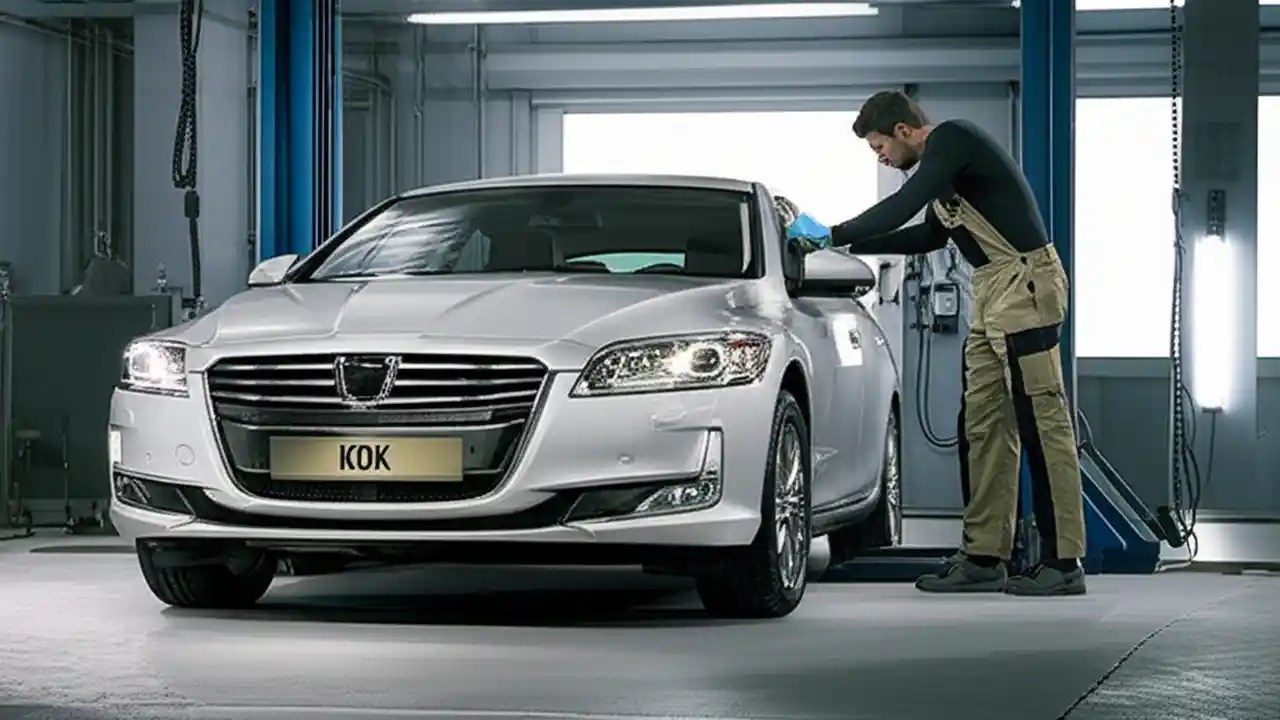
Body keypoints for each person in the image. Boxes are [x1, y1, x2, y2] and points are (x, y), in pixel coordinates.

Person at [791, 90, 1087, 596]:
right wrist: (843, 244)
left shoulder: (954, 138)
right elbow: (927, 235)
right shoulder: (944, 174)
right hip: (993, 289)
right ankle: (983, 558)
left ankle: (1064, 564)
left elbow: (903, 206)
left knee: (1041, 422)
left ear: (905, 130)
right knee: (980, 426)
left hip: (1027, 283)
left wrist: (834, 232)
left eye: (880, 146)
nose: (881, 157)